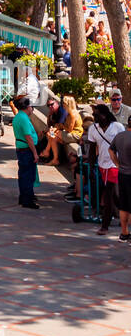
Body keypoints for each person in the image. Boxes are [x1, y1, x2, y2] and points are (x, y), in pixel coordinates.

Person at [86, 103, 125, 235]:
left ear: (103, 115)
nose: (93, 116)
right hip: (102, 165)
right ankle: (126, 214)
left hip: (115, 165)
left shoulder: (117, 127)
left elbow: (125, 144)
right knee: (115, 195)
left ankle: (105, 225)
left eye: (95, 114)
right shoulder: (93, 129)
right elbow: (92, 150)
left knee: (108, 193)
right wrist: (91, 167)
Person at [12, 95, 40, 209]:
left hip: (22, 149)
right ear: (27, 107)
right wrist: (35, 153)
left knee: (24, 174)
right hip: (26, 150)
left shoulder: (19, 116)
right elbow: (28, 137)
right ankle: (27, 200)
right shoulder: (23, 118)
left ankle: (24, 196)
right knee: (28, 175)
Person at [40, 95, 83, 166]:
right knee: (53, 137)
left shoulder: (73, 115)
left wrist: (61, 126)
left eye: (64, 103)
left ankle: (46, 152)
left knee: (52, 135)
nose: (63, 105)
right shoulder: (69, 113)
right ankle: (55, 159)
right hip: (70, 133)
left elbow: (69, 129)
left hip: (75, 135)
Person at [108, 121, 131, 242]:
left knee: (124, 205)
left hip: (122, 174)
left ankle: (124, 233)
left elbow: (111, 151)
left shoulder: (120, 136)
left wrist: (117, 164)